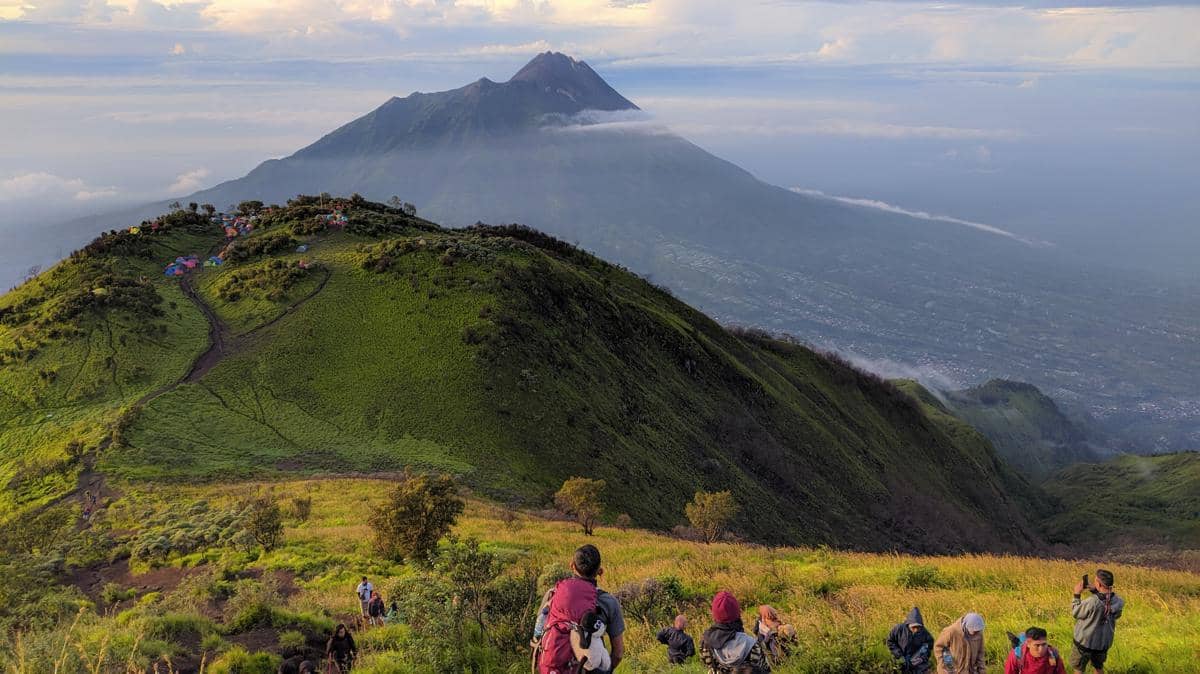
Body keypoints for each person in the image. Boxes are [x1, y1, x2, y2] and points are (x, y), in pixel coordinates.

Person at [532, 544, 626, 674]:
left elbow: (537, 635)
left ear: (572, 565)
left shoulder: (553, 594)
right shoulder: (608, 602)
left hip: (553, 668)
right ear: (600, 571)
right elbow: (618, 653)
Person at [699, 591, 771, 674]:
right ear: (737, 613)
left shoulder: (705, 643)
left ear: (715, 615)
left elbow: (707, 664)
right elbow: (765, 669)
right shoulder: (752, 644)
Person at [1071, 570, 1124, 674]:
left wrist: (1077, 594)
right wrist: (1096, 590)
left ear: (1099, 584)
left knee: (1078, 668)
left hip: (1085, 642)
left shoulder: (1092, 602)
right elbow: (1113, 611)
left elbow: (1076, 612)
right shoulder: (1118, 601)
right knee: (1098, 667)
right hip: (1102, 643)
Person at [886, 607, 934, 673]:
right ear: (908, 624)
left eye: (918, 627)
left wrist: (922, 657)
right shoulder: (899, 629)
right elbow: (890, 641)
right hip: (900, 659)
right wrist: (898, 655)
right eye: (914, 627)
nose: (916, 630)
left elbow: (930, 645)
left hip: (917, 662)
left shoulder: (924, 632)